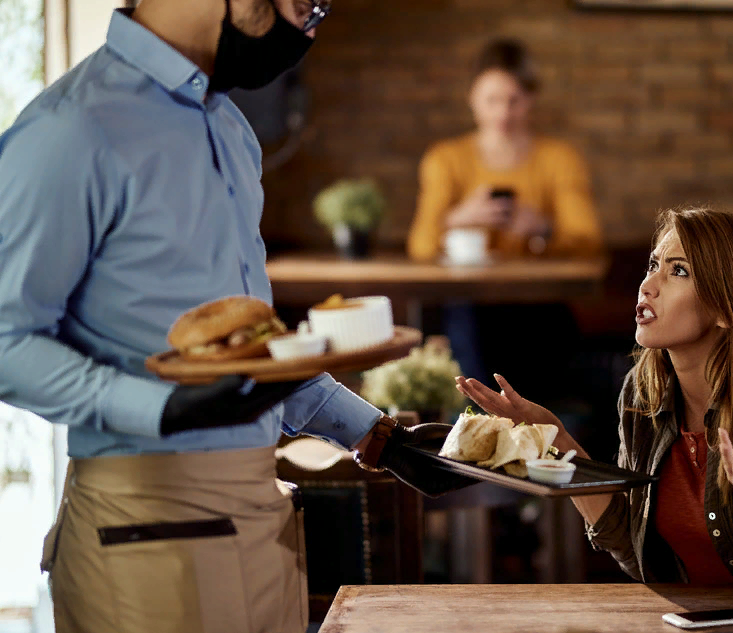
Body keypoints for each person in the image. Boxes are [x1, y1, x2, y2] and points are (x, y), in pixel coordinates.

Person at [0, 1, 464, 631]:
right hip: (143, 529)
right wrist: (159, 408)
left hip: (265, 518)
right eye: (305, 3)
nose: (309, 27)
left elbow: (252, 352)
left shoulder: (229, 128)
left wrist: (377, 438)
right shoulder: (71, 129)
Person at [457, 207, 733, 585]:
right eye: (653, 264)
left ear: (726, 308)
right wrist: (556, 441)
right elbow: (633, 548)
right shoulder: (644, 390)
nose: (647, 285)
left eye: (678, 271)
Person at [406, 37, 604, 261]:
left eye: (514, 101)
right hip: (463, 292)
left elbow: (589, 243)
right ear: (472, 98)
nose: (503, 113)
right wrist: (458, 219)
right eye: (492, 100)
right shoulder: (443, 159)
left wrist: (543, 228)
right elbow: (420, 248)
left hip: (537, 289)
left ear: (531, 99)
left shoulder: (562, 159)